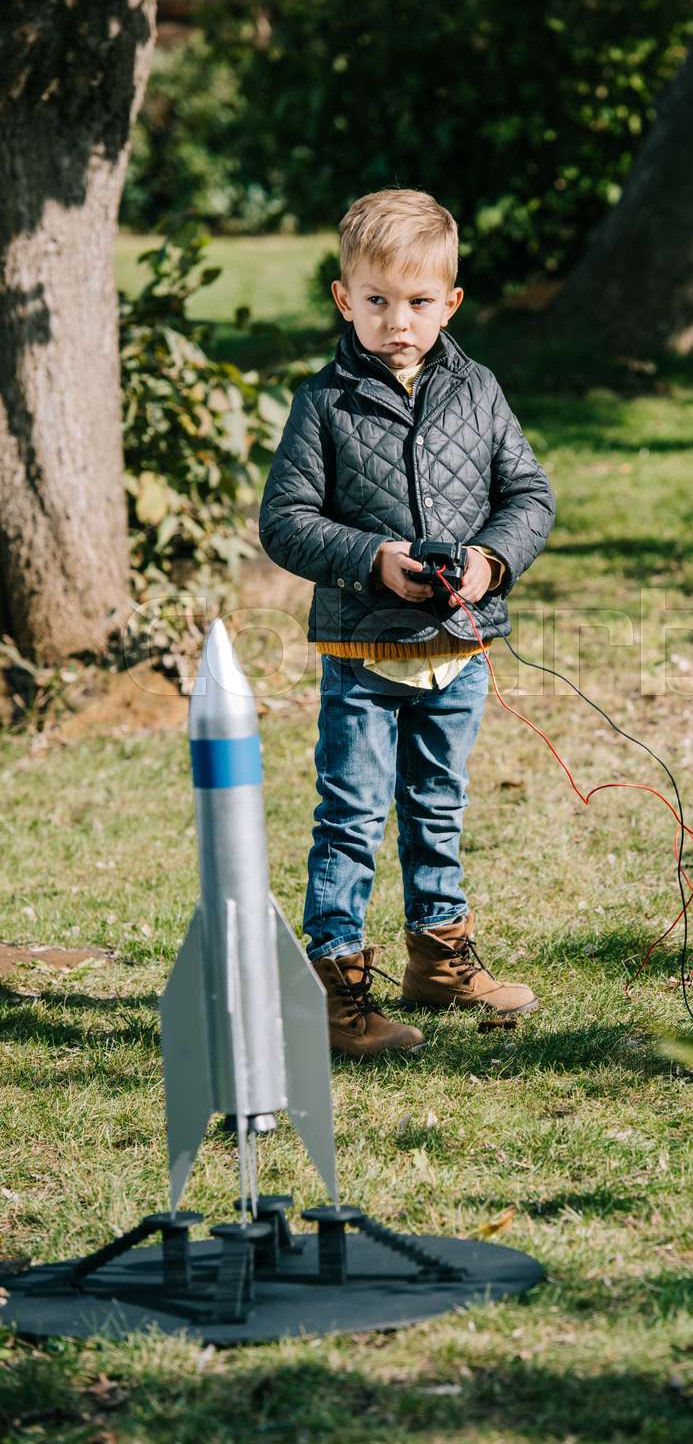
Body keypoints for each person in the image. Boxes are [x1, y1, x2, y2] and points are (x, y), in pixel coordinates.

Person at [258, 188, 556, 1059]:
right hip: (363, 650)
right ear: (345, 298)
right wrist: (372, 559)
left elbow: (529, 495)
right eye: (378, 301)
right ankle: (335, 988)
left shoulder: (479, 391)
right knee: (350, 816)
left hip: (456, 651)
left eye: (420, 303)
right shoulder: (325, 404)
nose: (399, 322)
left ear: (450, 302)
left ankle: (439, 955)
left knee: (438, 803)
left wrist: (489, 560)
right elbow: (285, 521)